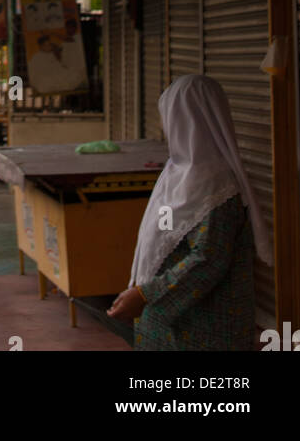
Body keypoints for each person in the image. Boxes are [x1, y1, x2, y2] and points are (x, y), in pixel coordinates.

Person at [108, 73, 272, 350]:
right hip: (171, 322)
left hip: (204, 329)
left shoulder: (216, 185)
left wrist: (145, 295)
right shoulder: (177, 174)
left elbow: (208, 260)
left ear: (184, 119)